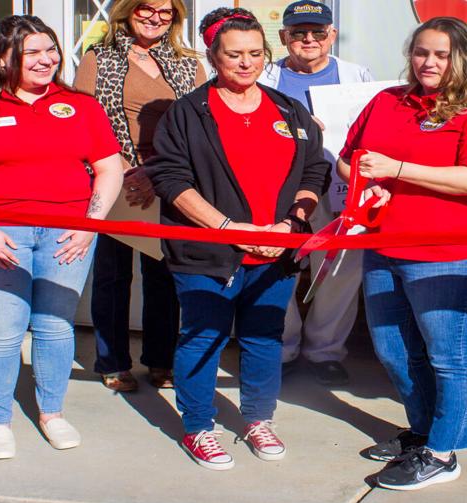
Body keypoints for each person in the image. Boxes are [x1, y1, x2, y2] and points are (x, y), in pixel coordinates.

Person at [0, 15, 123, 461]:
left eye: (50, 50)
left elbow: (109, 168)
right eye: (32, 52)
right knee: (2, 332)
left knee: (55, 325)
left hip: (68, 233)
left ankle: (52, 413)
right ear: (1, 57)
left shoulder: (80, 105)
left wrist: (89, 225)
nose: (46, 59)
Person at [143, 7, 328, 470]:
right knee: (203, 336)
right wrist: (229, 229)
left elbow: (315, 170)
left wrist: (291, 225)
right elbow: (170, 179)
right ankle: (198, 427)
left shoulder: (288, 109)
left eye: (254, 53)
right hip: (207, 252)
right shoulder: (188, 112)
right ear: (213, 57)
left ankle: (258, 419)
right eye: (233, 54)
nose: (246, 63)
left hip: (275, 251)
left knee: (264, 337)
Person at [338, 16, 467, 491]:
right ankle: (422, 432)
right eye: (421, 52)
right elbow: (350, 158)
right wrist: (366, 182)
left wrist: (396, 169)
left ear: (464, 56)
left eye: (441, 54)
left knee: (448, 356)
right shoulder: (388, 101)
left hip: (453, 252)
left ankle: (443, 452)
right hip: (383, 245)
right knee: (393, 350)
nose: (428, 62)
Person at [74, 0, 207, 394]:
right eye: (147, 8)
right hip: (114, 178)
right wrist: (124, 169)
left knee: (164, 274)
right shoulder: (99, 59)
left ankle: (161, 360)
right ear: (128, 10)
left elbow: (199, 124)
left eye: (166, 12)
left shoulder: (189, 63)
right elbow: (86, 121)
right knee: (113, 275)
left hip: (170, 178)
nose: (155, 18)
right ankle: (112, 361)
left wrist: (156, 172)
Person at [256, 0, 375, 386]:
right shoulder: (265, 75)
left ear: (332, 35)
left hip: (340, 183)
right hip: (282, 185)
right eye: (299, 32)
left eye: (318, 32)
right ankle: (283, 348)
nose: (309, 39)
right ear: (283, 36)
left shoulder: (357, 75)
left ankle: (325, 352)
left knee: (342, 268)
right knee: (277, 265)